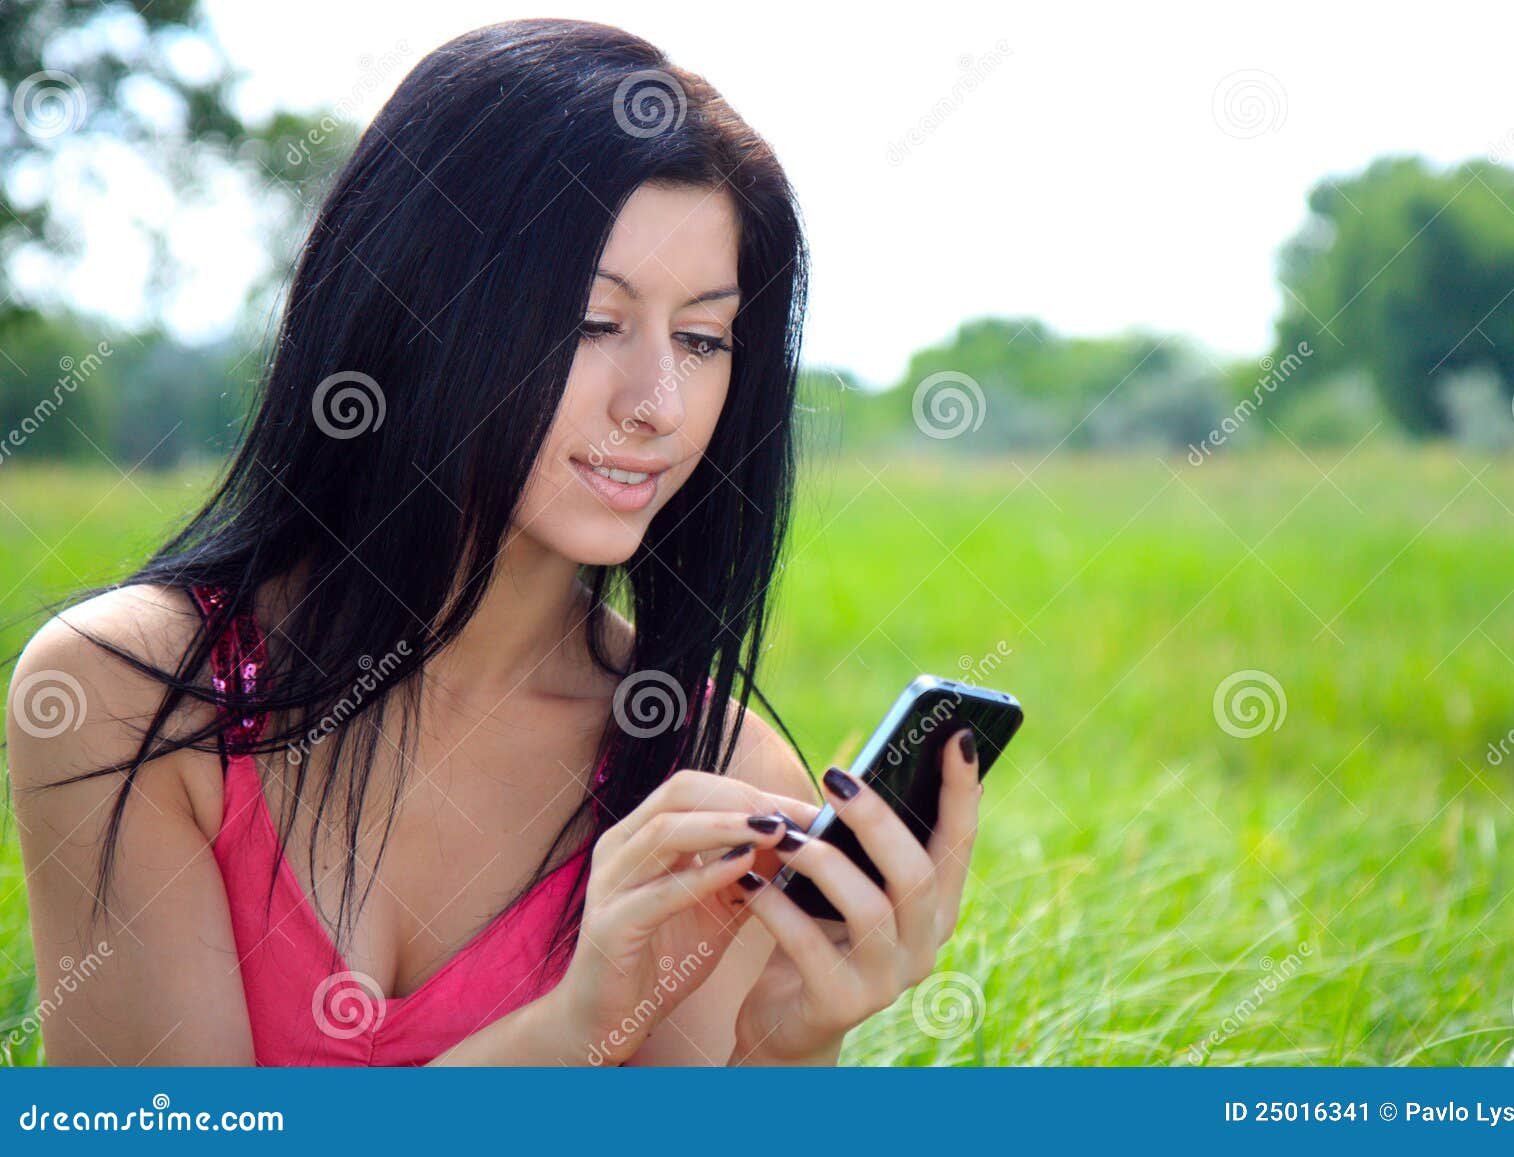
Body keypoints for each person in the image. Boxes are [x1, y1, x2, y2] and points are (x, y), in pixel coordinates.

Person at [7, 17, 982, 1067]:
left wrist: (782, 1049)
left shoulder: (723, 781)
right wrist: (566, 1036)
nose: (658, 403)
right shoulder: (132, 694)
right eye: (591, 322)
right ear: (413, 308)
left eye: (702, 339)